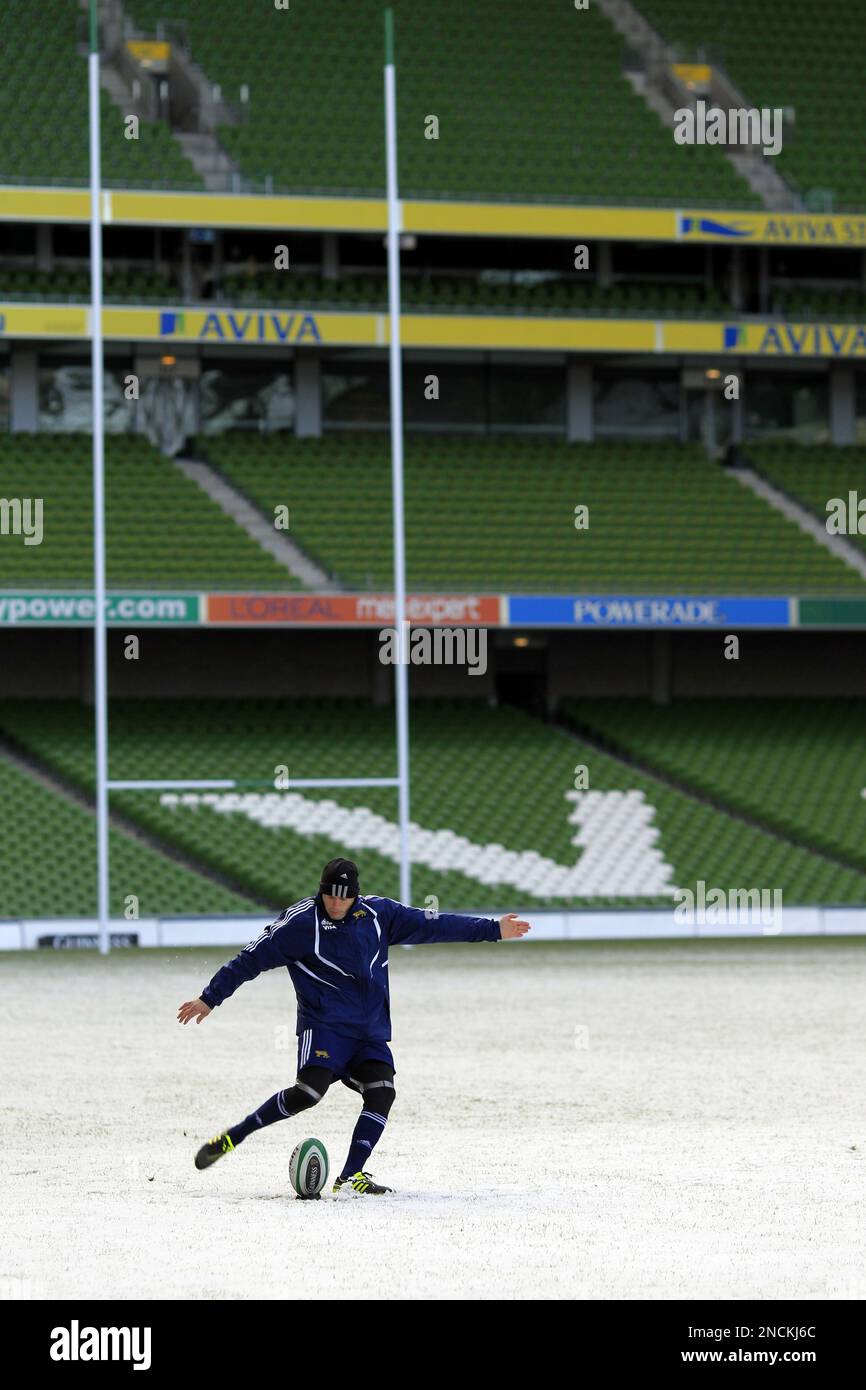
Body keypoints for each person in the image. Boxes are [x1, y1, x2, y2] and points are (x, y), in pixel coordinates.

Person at [178, 857, 531, 1195]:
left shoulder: (379, 915)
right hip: (325, 1027)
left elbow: (434, 925)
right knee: (309, 1094)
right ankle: (234, 1136)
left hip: (368, 1032)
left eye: (344, 896)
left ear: (356, 895)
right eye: (330, 894)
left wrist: (493, 929)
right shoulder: (301, 924)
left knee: (383, 1090)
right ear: (321, 890)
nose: (336, 902)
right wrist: (210, 997)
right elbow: (250, 959)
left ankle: (350, 1177)